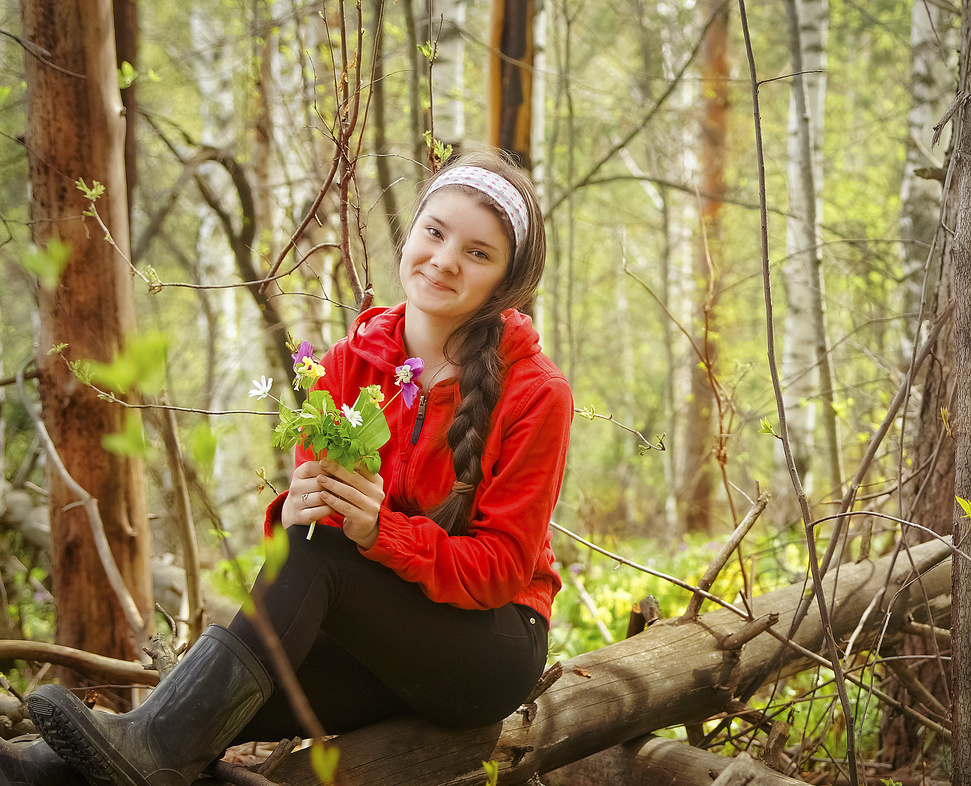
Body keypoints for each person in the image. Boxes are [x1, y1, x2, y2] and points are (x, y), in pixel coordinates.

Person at [14, 149, 572, 786]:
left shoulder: (534, 392)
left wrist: (378, 531)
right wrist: (295, 511)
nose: (444, 259)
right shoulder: (344, 366)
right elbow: (309, 557)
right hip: (380, 647)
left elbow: (503, 570)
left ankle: (148, 748)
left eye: (478, 253)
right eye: (435, 232)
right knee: (205, 713)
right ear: (411, 232)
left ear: (504, 282)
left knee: (221, 677)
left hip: (486, 654)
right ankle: (34, 768)